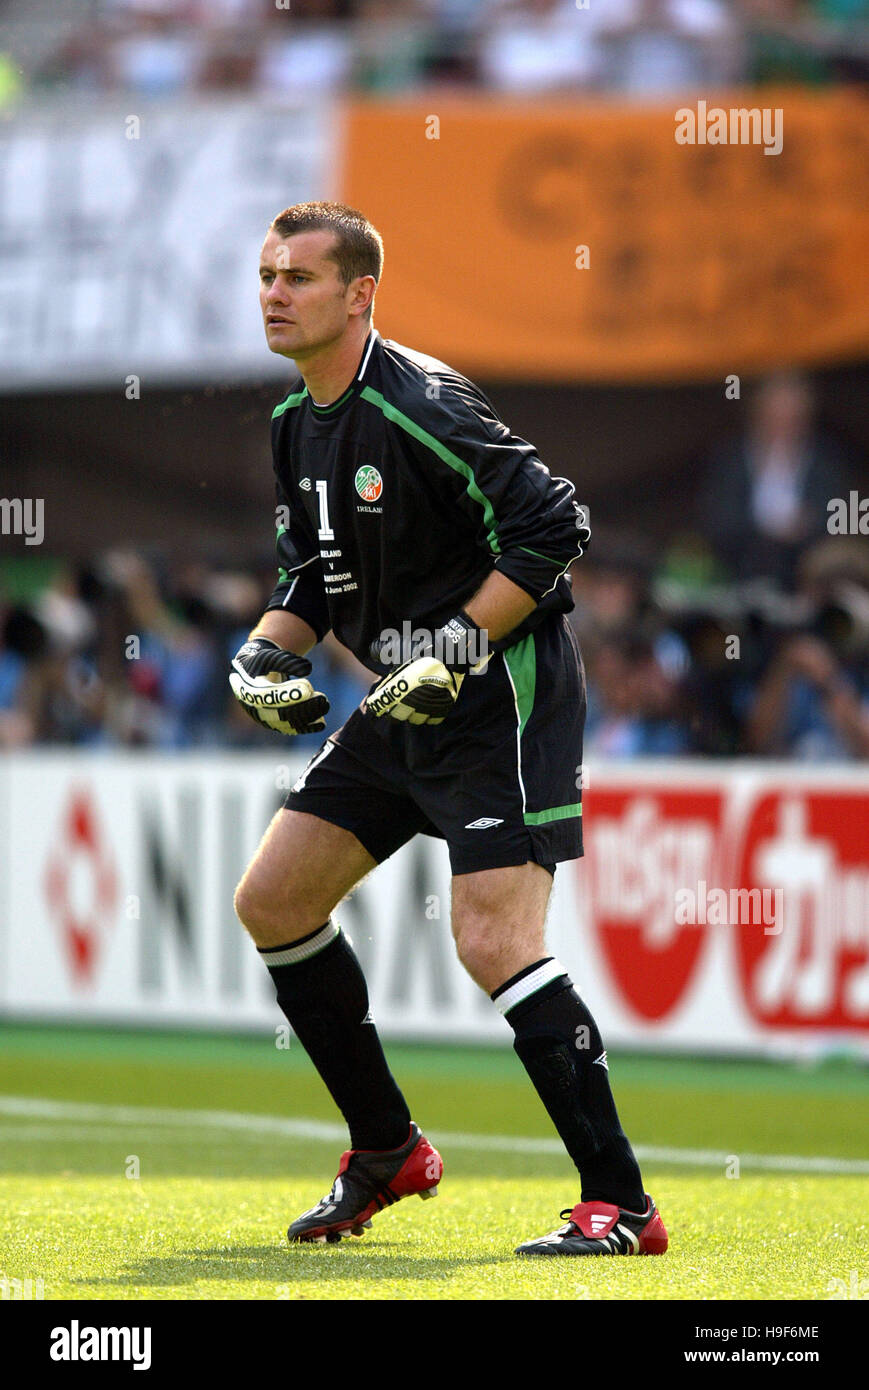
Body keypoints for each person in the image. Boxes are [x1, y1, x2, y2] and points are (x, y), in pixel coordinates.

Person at [230, 201, 668, 1259]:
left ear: (359, 293)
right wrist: (263, 652)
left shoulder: (420, 401)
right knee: (273, 900)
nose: (275, 293)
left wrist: (455, 650)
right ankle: (385, 1150)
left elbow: (553, 525)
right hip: (397, 701)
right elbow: (314, 574)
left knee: (492, 942)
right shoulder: (295, 422)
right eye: (266, 275)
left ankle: (622, 1206)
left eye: (297, 276)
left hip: (496, 697)